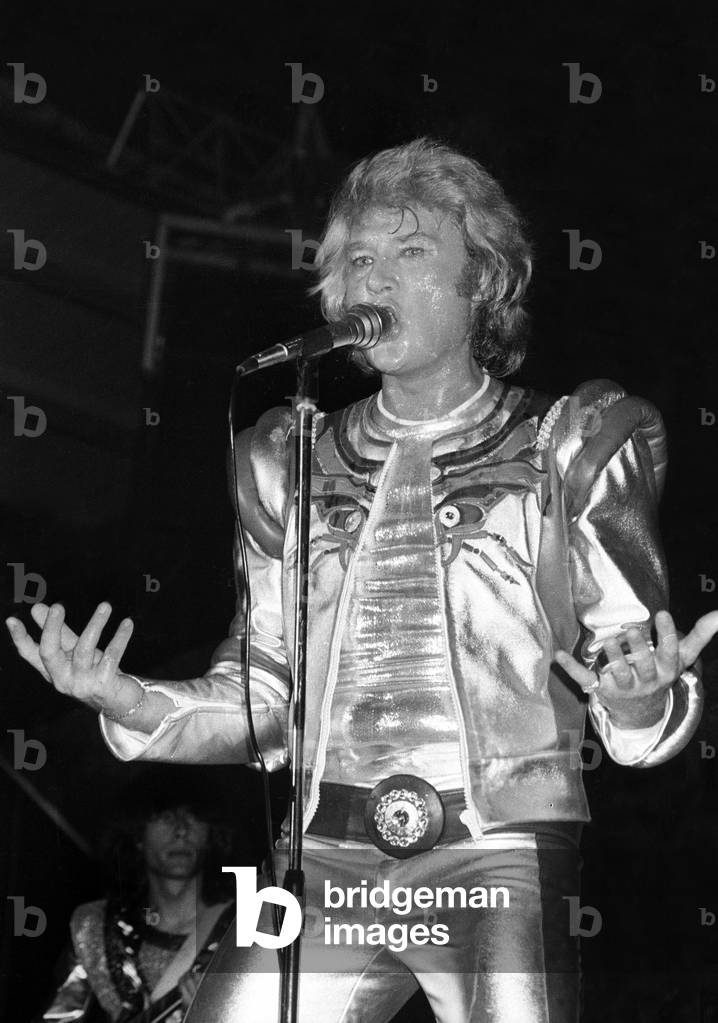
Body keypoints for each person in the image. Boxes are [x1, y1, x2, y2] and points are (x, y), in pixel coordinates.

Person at [8, 137, 718, 1023]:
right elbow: (267, 694)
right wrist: (130, 699)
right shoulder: (287, 458)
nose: (371, 278)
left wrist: (641, 699)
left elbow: (633, 677)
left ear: (482, 281)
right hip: (322, 855)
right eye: (355, 259)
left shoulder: (568, 443)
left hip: (496, 853)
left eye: (410, 251)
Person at [37, 772, 235, 1023]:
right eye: (165, 818)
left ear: (211, 834)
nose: (181, 831)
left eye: (193, 816)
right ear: (137, 836)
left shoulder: (243, 925)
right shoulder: (96, 927)